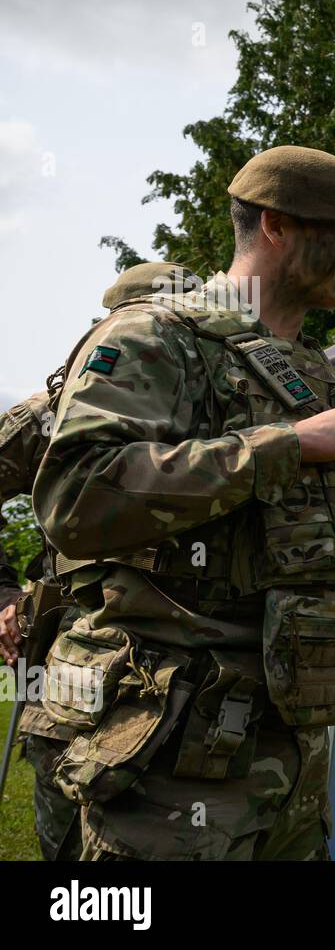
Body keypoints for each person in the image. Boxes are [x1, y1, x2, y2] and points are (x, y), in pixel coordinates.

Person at [32, 146, 335, 860]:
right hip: (164, 751)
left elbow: (275, 532)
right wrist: (296, 445)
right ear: (278, 226)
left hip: (286, 748)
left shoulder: (311, 371)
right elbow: (77, 494)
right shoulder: (155, 337)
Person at [0, 262, 197, 861]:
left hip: (188, 652)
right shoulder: (55, 409)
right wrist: (3, 594)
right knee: (68, 819)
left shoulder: (223, 393)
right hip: (73, 646)